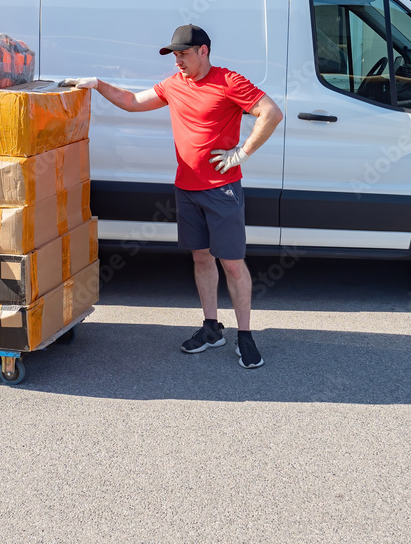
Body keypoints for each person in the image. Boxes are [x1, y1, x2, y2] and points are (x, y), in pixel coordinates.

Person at [62, 24, 283, 368]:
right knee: (201, 259)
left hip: (221, 190)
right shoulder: (174, 85)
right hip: (187, 188)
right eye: (175, 54)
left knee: (233, 265)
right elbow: (132, 102)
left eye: (184, 53)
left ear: (204, 51)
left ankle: (245, 335)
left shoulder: (228, 81)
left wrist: (242, 153)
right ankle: (212, 328)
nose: (178, 60)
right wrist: (97, 84)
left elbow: (271, 113)